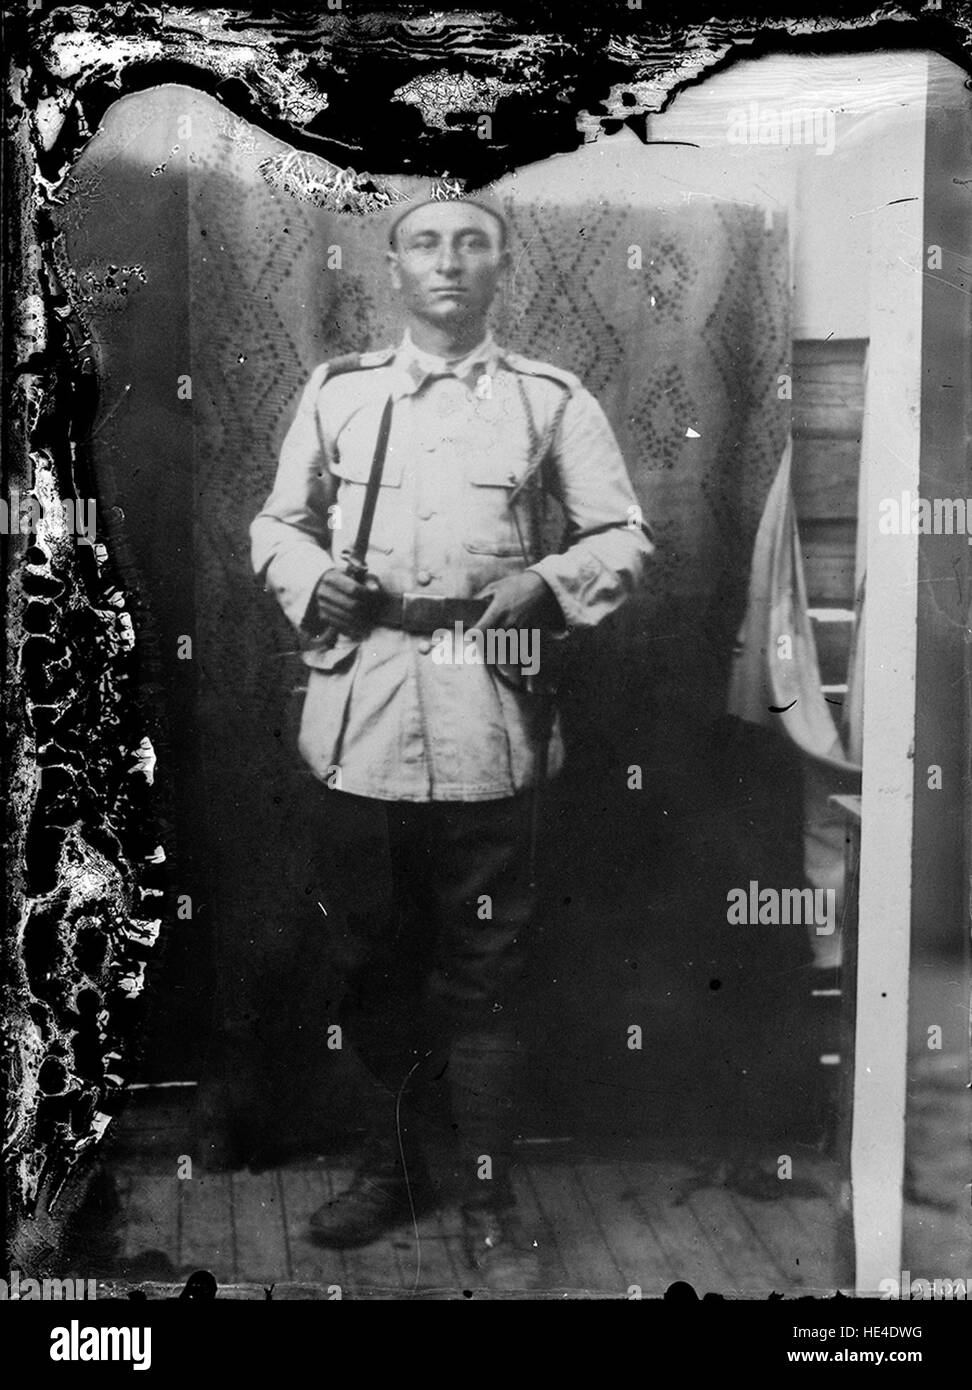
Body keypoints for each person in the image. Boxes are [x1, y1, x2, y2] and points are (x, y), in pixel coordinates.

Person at [250, 193, 653, 1291]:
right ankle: (390, 1174)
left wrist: (550, 578)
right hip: (360, 722)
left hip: (492, 729)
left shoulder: (548, 402)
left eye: (472, 243)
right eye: (426, 242)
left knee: (486, 971)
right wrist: (307, 576)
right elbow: (276, 523)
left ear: (500, 269)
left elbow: (623, 533)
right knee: (373, 962)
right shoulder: (338, 394)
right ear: (392, 267)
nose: (448, 262)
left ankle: (488, 1197)